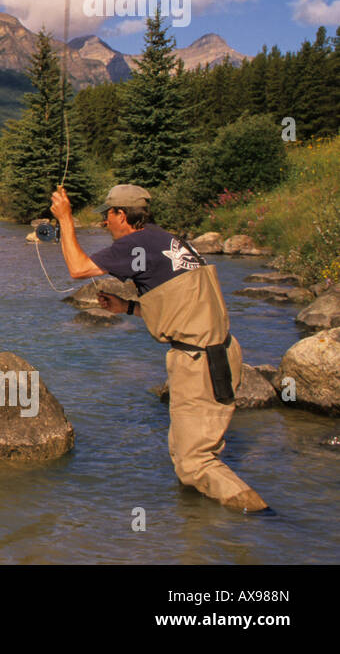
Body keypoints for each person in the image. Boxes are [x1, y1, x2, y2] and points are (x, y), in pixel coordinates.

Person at [49, 183, 269, 513]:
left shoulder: (134, 244)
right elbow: (183, 305)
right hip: (220, 352)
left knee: (196, 463)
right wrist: (127, 308)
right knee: (186, 456)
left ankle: (263, 521)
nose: (105, 223)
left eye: (107, 216)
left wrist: (66, 219)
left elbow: (77, 268)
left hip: (198, 362)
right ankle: (204, 536)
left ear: (120, 214)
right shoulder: (168, 241)